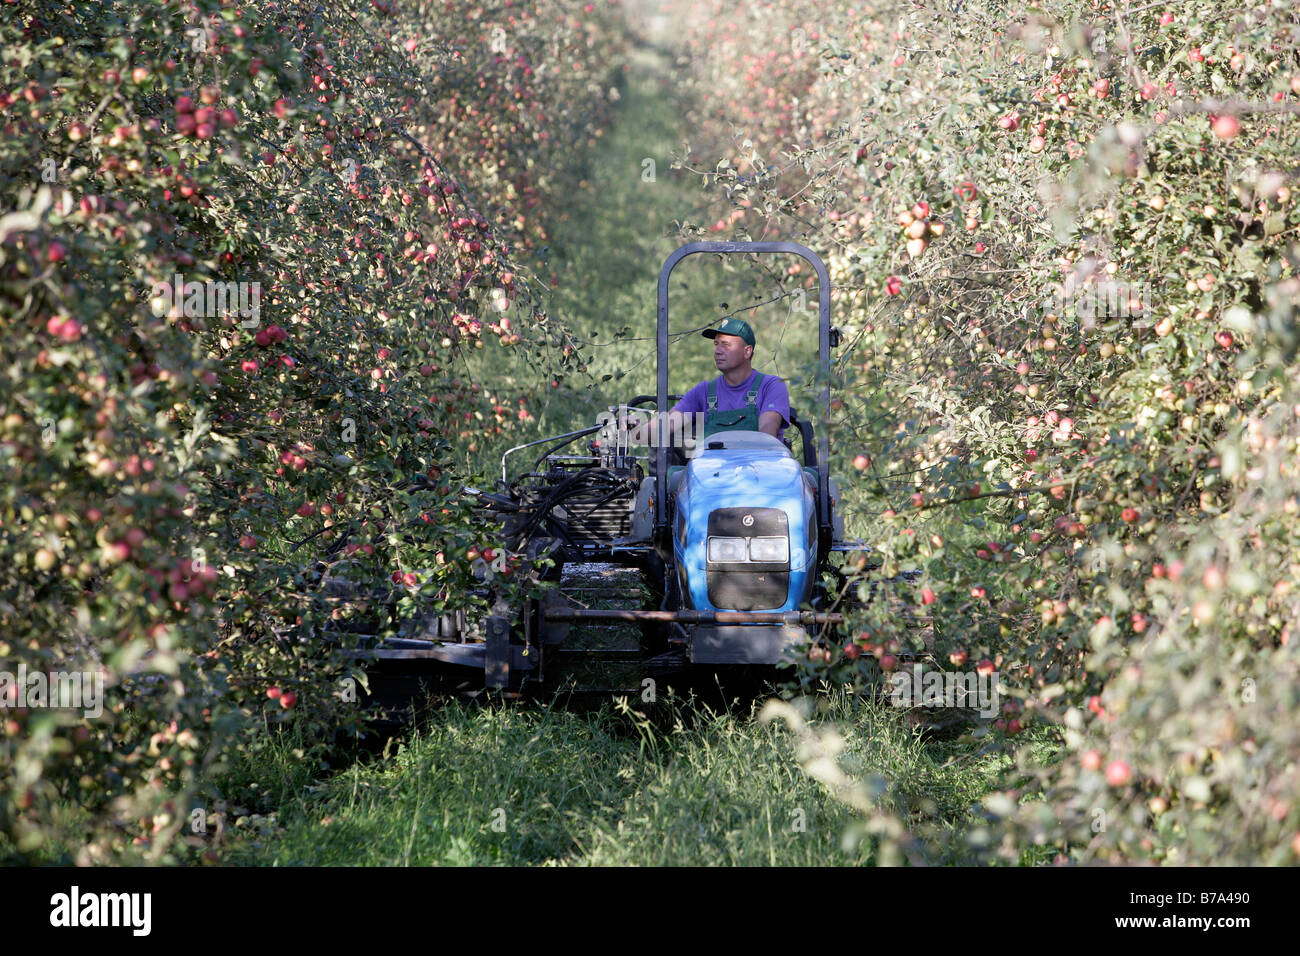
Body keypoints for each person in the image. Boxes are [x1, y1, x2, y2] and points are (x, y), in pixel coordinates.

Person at [666, 318, 790, 444]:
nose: (717, 351)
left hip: (758, 462)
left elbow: (767, 433)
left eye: (725, 345)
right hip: (712, 464)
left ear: (747, 351)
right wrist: (647, 432)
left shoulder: (771, 386)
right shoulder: (703, 391)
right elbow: (663, 426)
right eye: (716, 344)